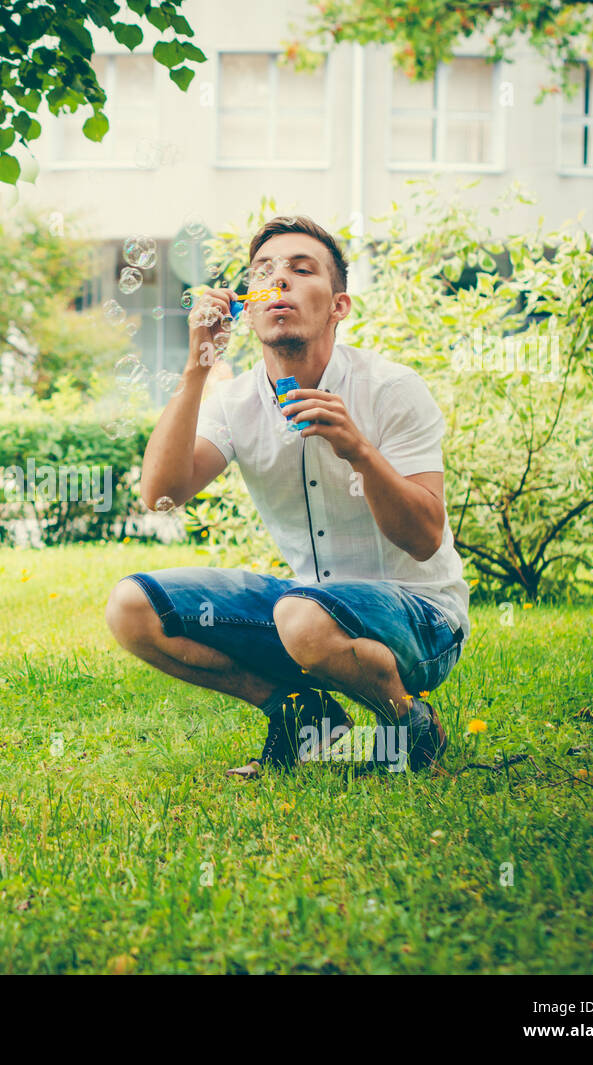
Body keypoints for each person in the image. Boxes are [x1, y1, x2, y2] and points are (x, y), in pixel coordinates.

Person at [105, 215, 469, 776]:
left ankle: (409, 720)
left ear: (339, 305)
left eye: (301, 271)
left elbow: (423, 541)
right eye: (264, 274)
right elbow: (161, 495)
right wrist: (197, 367)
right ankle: (303, 715)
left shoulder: (391, 389)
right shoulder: (236, 402)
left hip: (420, 617)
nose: (279, 284)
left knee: (301, 617)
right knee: (132, 609)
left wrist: (360, 452)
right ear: (246, 307)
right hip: (305, 609)